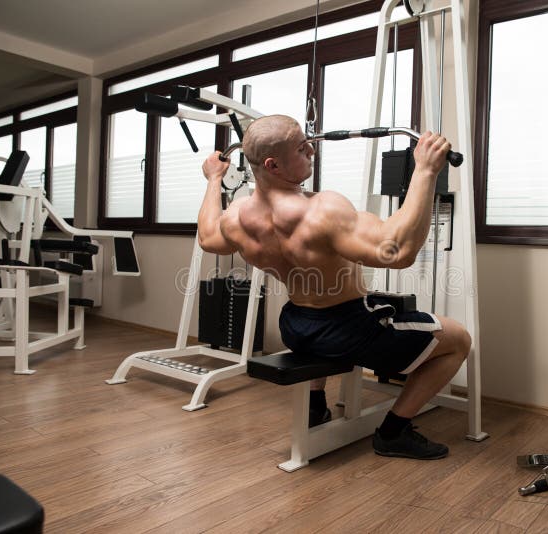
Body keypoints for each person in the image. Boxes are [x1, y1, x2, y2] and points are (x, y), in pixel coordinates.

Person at [198, 115, 471, 460]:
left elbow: (208, 238)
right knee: (459, 339)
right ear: (273, 165)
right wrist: (426, 171)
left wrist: (213, 180)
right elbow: (397, 251)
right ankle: (393, 432)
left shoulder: (236, 216)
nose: (311, 149)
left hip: (295, 325)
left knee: (327, 330)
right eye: (301, 147)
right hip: (349, 330)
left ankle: (316, 409)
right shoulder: (321, 210)